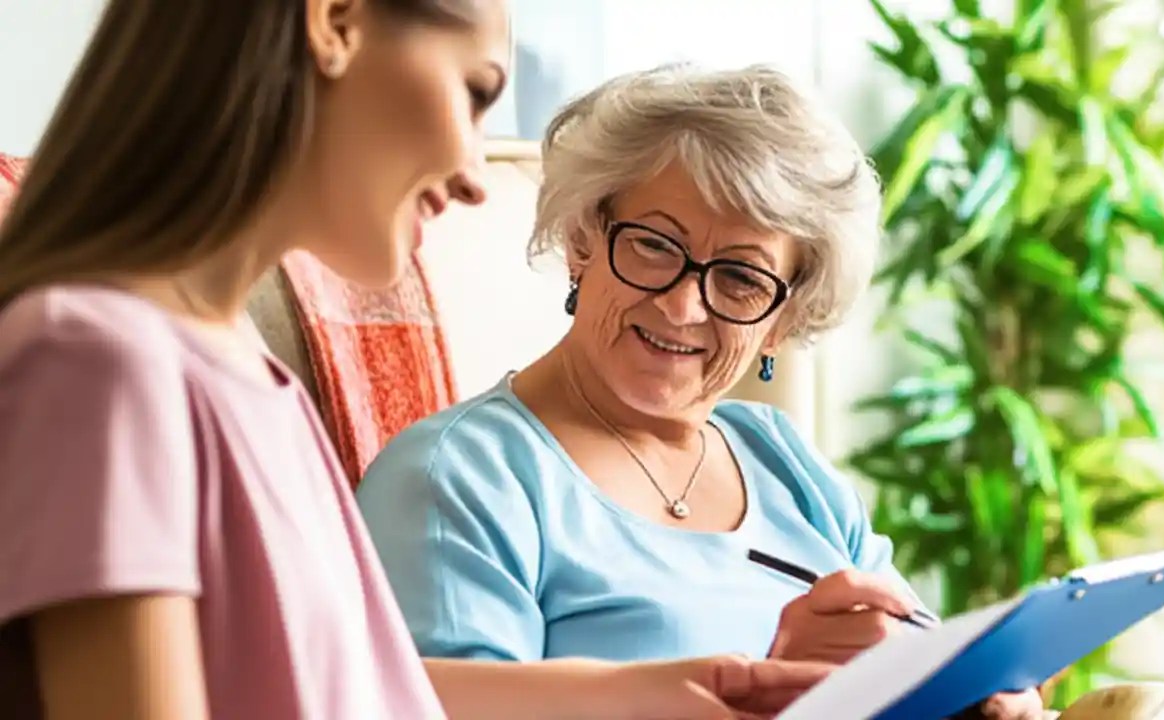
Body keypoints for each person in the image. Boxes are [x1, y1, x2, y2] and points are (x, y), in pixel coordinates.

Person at [0, 2, 831, 718]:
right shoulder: (102, 365)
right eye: (475, 94)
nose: (477, 177)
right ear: (335, 21)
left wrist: (660, 693)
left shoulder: (247, 373)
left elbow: (348, 694)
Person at [357, 64, 1047, 719]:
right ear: (581, 239)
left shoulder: (780, 458)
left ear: (782, 322)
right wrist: (779, 691)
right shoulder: (460, 478)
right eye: (655, 245)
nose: (683, 306)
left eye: (741, 279)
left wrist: (975, 691)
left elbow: (909, 650)